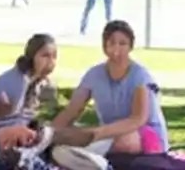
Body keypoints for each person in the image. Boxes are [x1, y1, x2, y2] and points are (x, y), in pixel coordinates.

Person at [49, 20, 169, 170]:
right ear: (104, 46)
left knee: (125, 140)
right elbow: (72, 111)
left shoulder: (140, 76)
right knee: (59, 149)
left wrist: (97, 133)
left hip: (144, 136)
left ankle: (91, 161)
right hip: (108, 137)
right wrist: (48, 135)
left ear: (130, 46)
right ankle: (97, 164)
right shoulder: (94, 75)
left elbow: (138, 119)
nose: (116, 49)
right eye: (112, 43)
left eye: (122, 43)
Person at [0, 34, 61, 169]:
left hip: (17, 140)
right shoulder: (17, 81)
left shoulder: (39, 83)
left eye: (54, 56)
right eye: (45, 56)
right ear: (32, 56)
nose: (51, 61)